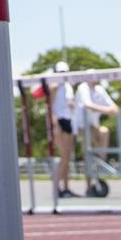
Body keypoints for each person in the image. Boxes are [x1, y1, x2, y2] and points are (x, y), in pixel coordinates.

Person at [49, 60, 78, 198]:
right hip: (59, 121)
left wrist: (72, 104)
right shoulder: (54, 86)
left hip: (68, 120)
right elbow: (51, 106)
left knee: (68, 157)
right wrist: (55, 125)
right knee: (63, 156)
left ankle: (66, 186)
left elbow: (70, 102)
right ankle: (57, 186)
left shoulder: (68, 86)